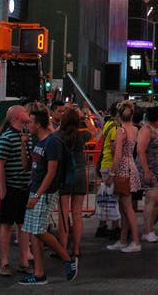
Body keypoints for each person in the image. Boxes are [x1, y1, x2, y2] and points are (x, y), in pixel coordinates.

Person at [19, 105, 78, 286]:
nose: (28, 125)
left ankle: (67, 259)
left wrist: (37, 195)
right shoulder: (37, 142)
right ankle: (39, 273)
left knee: (39, 231)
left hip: (43, 193)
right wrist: (23, 145)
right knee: (35, 234)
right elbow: (27, 166)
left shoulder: (51, 142)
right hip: (36, 190)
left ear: (38, 125)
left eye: (30, 123)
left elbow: (51, 172)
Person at [0, 103, 33, 277]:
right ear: (17, 117)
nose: (28, 113)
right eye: (24, 111)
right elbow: (0, 164)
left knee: (22, 225)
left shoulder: (28, 136)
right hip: (12, 187)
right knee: (8, 225)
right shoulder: (7, 137)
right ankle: (5, 261)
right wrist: (3, 189)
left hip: (25, 186)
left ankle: (23, 260)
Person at [56, 106, 91, 263]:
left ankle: (62, 248)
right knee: (77, 213)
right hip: (80, 174)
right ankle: (76, 249)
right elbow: (95, 130)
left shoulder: (58, 136)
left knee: (63, 214)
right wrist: (86, 116)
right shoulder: (81, 135)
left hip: (64, 175)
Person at [106, 101, 142, 254]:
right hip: (131, 166)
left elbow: (118, 155)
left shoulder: (121, 131)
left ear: (119, 115)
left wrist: (111, 174)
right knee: (125, 206)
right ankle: (123, 239)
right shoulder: (134, 129)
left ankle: (135, 241)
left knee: (127, 207)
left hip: (122, 169)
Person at [136, 104, 158, 242]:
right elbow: (140, 151)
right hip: (148, 169)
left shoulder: (156, 130)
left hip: (157, 169)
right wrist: (146, 171)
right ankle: (147, 231)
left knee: (154, 199)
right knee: (153, 198)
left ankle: (150, 230)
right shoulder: (146, 130)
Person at [94, 102, 120, 240]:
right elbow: (115, 148)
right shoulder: (116, 127)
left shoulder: (107, 124)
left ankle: (102, 225)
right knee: (113, 198)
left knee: (105, 197)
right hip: (111, 165)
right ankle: (115, 227)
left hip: (104, 163)